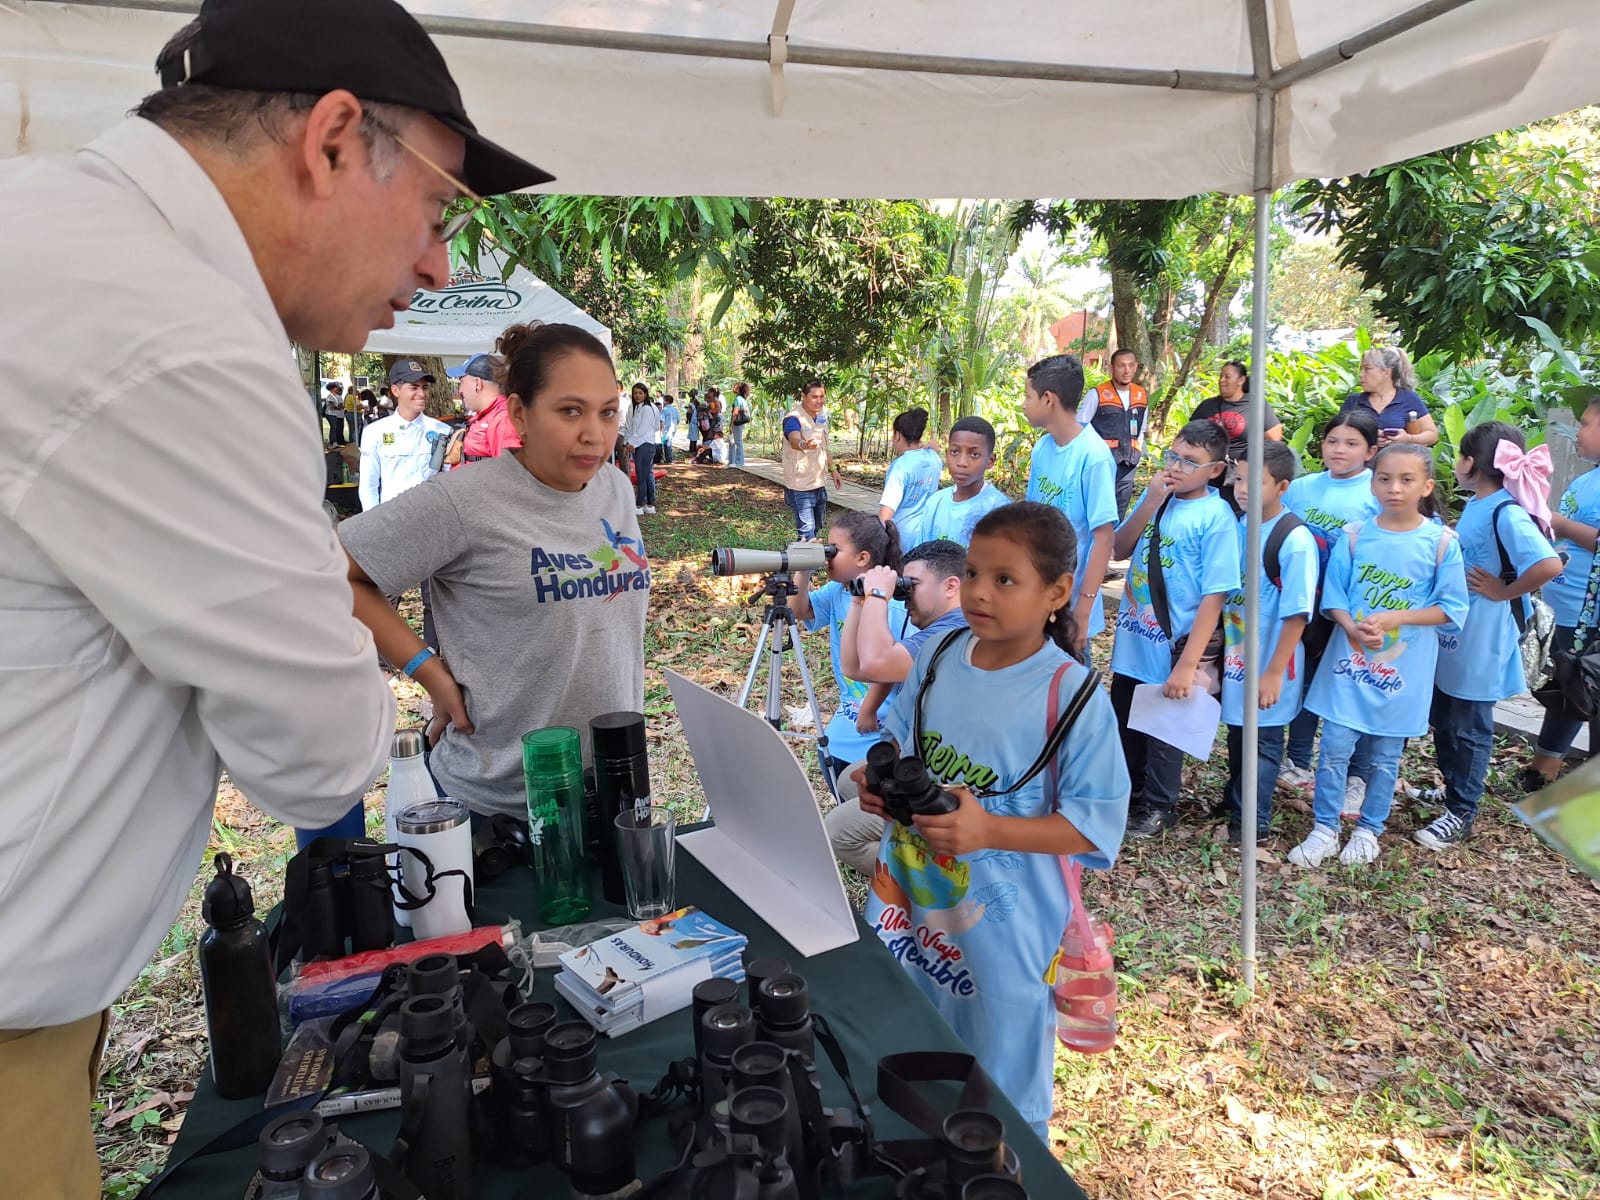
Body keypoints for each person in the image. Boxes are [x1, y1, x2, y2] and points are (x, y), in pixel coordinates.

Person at [0, 0, 554, 1188]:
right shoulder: (183, 333)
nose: (437, 266)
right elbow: (316, 754)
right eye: (439, 208)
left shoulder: (43, 222)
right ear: (335, 139)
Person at [855, 501, 1129, 1142]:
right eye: (974, 573)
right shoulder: (938, 654)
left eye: (1005, 579)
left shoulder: (1073, 696)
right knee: (902, 1045)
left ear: (1057, 592)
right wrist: (877, 782)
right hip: (907, 908)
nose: (980, 592)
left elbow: (1094, 828)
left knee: (996, 1085)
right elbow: (898, 745)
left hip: (1008, 938)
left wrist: (989, 830)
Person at [340, 323, 648, 816]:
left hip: (612, 787)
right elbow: (334, 574)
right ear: (520, 413)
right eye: (570, 411)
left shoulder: (615, 487)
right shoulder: (463, 501)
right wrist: (430, 672)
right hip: (498, 802)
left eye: (608, 412)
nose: (595, 433)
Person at [1288, 443, 1468, 869]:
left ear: (1426, 486)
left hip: (1403, 673)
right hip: (1348, 665)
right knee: (1333, 747)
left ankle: (1369, 830)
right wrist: (1351, 627)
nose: (1394, 488)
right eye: (1384, 479)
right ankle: (1325, 828)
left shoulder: (1441, 543)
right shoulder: (1353, 535)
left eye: (1407, 480)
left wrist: (1395, 618)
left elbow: (1452, 608)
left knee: (1386, 757)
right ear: (1372, 483)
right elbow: (1334, 597)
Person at [1423, 423, 1561, 849]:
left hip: (1483, 635)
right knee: (1446, 718)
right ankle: (1452, 792)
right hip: (1459, 634)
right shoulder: (1481, 503)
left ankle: (1462, 811)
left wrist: (1504, 590)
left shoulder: (1506, 510)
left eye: (1459, 457)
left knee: (1468, 725)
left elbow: (1549, 564)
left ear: (1469, 462)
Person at [1110, 420, 1242, 839]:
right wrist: (1149, 502)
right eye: (1173, 456)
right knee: (1126, 719)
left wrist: (1188, 663)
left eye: (1191, 462)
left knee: (1164, 729)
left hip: (1173, 645)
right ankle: (1127, 792)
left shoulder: (1216, 517)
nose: (1177, 467)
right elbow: (1119, 547)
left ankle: (1159, 805)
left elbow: (1215, 595)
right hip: (1135, 639)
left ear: (1216, 470)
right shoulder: (1159, 500)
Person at [828, 538, 970, 874]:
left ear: (951, 586)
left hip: (956, 780)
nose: (904, 595)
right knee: (850, 780)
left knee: (838, 832)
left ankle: (941, 873)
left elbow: (875, 662)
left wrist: (879, 594)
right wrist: (860, 601)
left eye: (913, 585)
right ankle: (914, 842)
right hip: (929, 757)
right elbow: (854, 666)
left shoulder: (955, 631)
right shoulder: (940, 628)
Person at [1278, 410, 1382, 808]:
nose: (1339, 449)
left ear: (1371, 451)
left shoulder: (1376, 493)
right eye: (1332, 440)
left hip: (1354, 612)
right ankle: (1298, 762)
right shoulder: (1300, 488)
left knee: (1355, 687)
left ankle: (1358, 775)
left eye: (1352, 443)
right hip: (1303, 605)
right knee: (1304, 681)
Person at [1219, 442, 1318, 844]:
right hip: (1238, 656)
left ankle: (1252, 824)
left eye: (1253, 482)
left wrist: (1274, 673)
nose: (1242, 489)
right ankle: (1235, 804)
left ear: (1282, 486)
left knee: (1263, 743)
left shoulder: (1293, 540)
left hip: (1271, 662)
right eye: (1239, 478)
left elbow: (1297, 613)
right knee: (1240, 735)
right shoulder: (1241, 525)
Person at [789, 511, 912, 787]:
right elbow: (799, 610)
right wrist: (803, 572)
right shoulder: (839, 591)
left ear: (862, 558)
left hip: (882, 720)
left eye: (834, 550)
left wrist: (869, 708)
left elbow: (889, 661)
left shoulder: (888, 602)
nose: (827, 557)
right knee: (832, 758)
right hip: (850, 713)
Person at [1525, 398, 1600, 791]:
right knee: (1567, 687)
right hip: (1566, 608)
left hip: (1593, 616)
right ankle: (1543, 770)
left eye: (1586, 424)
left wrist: (1562, 525)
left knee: (1588, 691)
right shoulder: (1586, 479)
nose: (1578, 432)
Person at [1023, 354, 1117, 657]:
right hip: (1036, 598)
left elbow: (1103, 537)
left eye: (1028, 396)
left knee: (1070, 693)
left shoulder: (1094, 457)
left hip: (1071, 605)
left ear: (1048, 399)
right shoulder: (1043, 447)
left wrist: (1084, 610)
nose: (1024, 403)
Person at [1189, 360, 1284, 514]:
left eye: (1227, 377)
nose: (1221, 380)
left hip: (1238, 475)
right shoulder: (1207, 405)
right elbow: (1190, 435)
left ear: (1241, 380)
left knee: (1234, 514)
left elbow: (1274, 437)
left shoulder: (1256, 404)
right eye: (1221, 376)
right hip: (1208, 472)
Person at [360, 360, 451, 508]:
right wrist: (373, 525)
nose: (421, 394)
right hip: (390, 519)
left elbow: (449, 480)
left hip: (432, 518)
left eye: (425, 387)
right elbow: (368, 485)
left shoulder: (443, 431)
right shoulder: (375, 432)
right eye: (414, 387)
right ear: (396, 391)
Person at [1079, 347, 1148, 518]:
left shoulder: (1141, 394)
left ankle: (1114, 544)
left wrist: (1137, 451)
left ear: (1136, 367)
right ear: (1111, 368)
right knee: (1096, 510)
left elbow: (1142, 428)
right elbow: (1080, 426)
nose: (1126, 371)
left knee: (1119, 512)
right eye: (1121, 366)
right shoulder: (1097, 394)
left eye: (1131, 366)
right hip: (1102, 463)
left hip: (1128, 463)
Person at [920, 416, 1011, 546]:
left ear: (990, 461)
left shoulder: (1001, 511)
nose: (962, 463)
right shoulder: (935, 503)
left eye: (974, 454)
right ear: (947, 454)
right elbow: (920, 555)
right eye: (955, 452)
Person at [1340, 346, 1439, 448]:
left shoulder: (1408, 398)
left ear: (1387, 372)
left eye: (1367, 369)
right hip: (1359, 464)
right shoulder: (1353, 401)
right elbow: (1338, 435)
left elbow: (1432, 435)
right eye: (1361, 369)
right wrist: (1368, 439)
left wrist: (1408, 439)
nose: (1361, 374)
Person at [781, 379, 843, 540]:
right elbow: (794, 440)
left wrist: (833, 469)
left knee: (817, 526)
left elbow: (824, 447)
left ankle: (801, 559)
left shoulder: (821, 418)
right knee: (807, 530)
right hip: (800, 486)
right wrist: (804, 444)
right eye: (814, 397)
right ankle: (807, 564)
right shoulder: (793, 419)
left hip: (819, 483)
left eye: (822, 397)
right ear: (803, 396)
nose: (819, 401)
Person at [877, 407, 944, 547]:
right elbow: (933, 448)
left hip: (902, 536)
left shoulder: (900, 465)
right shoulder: (933, 458)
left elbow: (888, 508)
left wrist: (877, 538)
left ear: (897, 435)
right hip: (927, 534)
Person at [448, 352, 521, 463]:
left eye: (461, 382)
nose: (460, 391)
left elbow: (510, 472)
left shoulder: (503, 419)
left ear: (477, 384)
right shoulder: (489, 416)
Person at [627, 385, 662, 514]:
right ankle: (650, 504)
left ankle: (640, 504)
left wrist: (631, 442)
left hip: (645, 444)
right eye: (635, 393)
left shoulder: (647, 409)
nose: (637, 395)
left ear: (646, 394)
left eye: (640, 393)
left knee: (642, 475)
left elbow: (642, 429)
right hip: (641, 444)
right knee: (647, 475)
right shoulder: (637, 408)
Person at [729, 381, 752, 467]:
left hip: (737, 423)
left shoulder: (738, 399)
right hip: (741, 422)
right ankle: (734, 461)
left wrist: (731, 425)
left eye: (735, 387)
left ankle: (738, 462)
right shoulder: (743, 399)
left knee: (737, 441)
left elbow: (735, 413)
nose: (733, 388)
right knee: (736, 441)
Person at [322, 379, 348, 445]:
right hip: (331, 414)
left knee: (337, 427)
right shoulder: (330, 396)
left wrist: (340, 407)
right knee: (333, 427)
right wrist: (339, 407)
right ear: (332, 389)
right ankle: (333, 441)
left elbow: (340, 405)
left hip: (336, 414)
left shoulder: (337, 396)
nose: (337, 389)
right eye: (336, 388)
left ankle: (337, 440)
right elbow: (332, 406)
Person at [659, 393, 680, 464]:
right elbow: (678, 420)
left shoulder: (664, 410)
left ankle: (669, 459)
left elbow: (662, 420)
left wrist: (661, 429)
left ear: (666, 401)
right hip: (673, 428)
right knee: (668, 442)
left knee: (667, 443)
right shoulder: (675, 409)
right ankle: (668, 458)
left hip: (666, 429)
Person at [685, 387, 702, 459]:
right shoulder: (692, 401)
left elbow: (692, 411)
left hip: (694, 420)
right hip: (692, 420)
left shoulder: (696, 402)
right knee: (692, 435)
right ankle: (691, 449)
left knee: (694, 435)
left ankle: (693, 449)